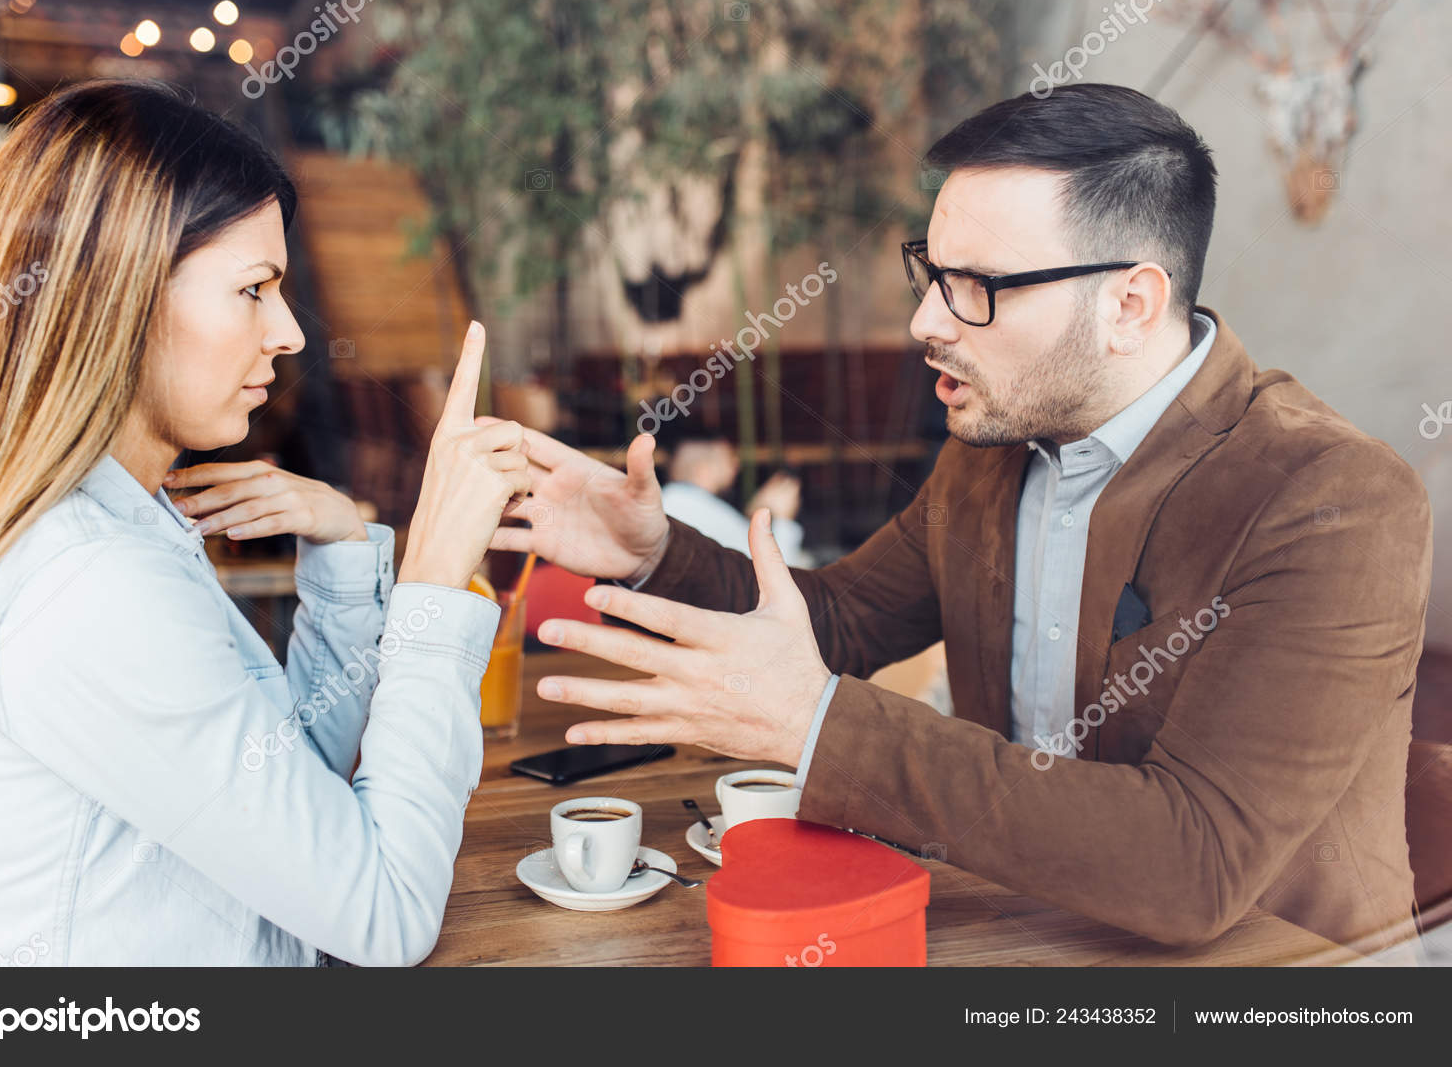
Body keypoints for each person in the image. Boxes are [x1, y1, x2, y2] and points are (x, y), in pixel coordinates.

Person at [493, 84, 1433, 954]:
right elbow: (837, 624)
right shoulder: (992, 453)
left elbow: (1194, 864)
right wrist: (656, 552)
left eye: (976, 286)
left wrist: (821, 727)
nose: (926, 322)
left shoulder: (1332, 501)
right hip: (1020, 936)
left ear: (1130, 305)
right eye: (930, 273)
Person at [0, 80, 529, 966]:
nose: (288, 332)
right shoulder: (88, 586)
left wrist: (338, 555)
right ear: (119, 300)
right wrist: (434, 577)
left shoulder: (109, 532)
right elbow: (383, 911)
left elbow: (300, 810)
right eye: (254, 289)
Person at [658, 421, 808, 567]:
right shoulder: (693, 506)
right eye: (729, 457)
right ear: (703, 469)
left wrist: (755, 515)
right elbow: (774, 573)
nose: (736, 463)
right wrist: (784, 519)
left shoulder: (676, 501)